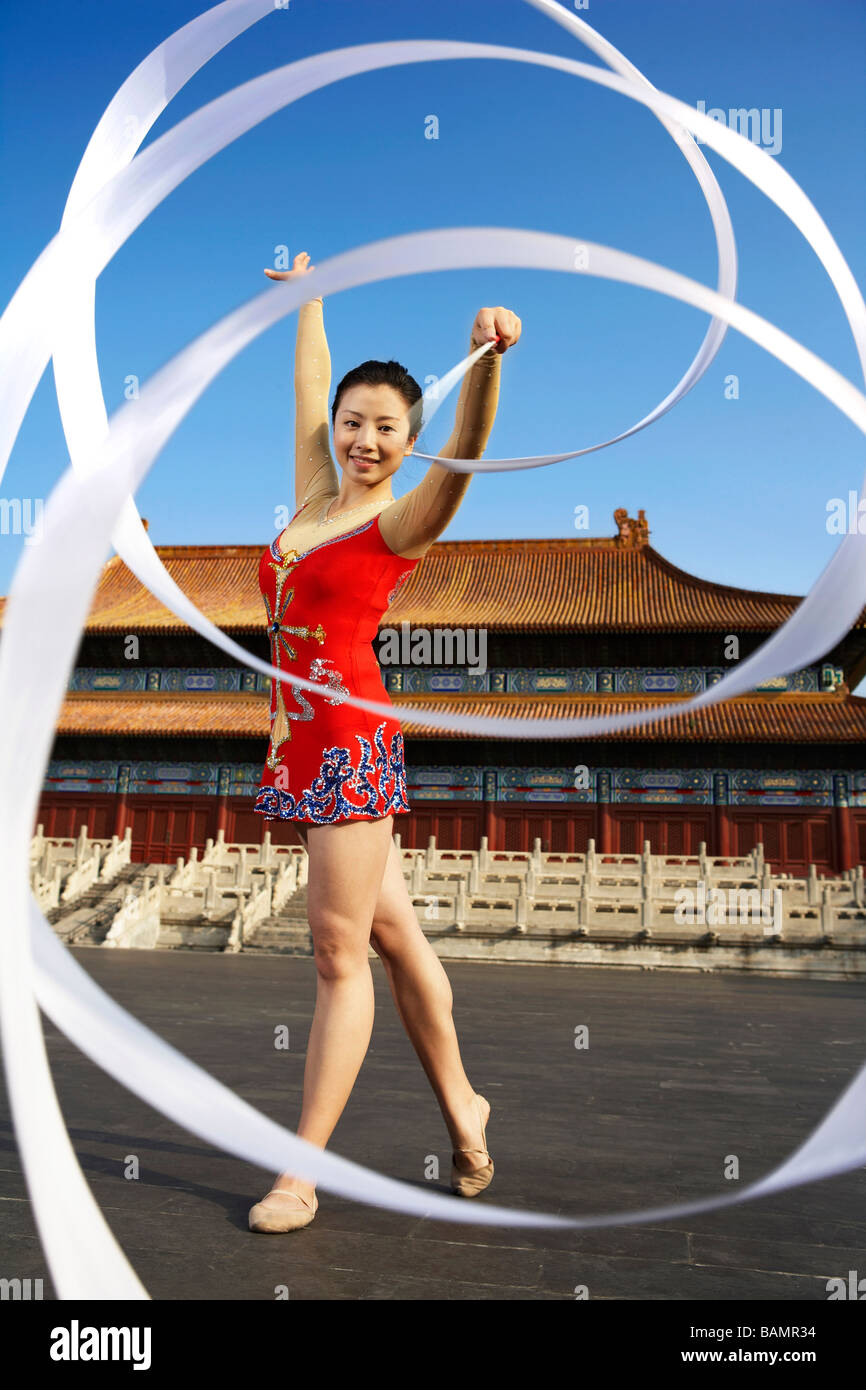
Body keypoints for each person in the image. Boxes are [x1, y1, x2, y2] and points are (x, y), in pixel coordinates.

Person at [248, 251, 521, 1232]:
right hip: (297, 741)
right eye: (353, 425)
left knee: (335, 949)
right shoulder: (314, 493)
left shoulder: (399, 521)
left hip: (353, 740)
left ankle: (299, 1172)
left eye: (385, 429)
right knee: (393, 933)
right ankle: (464, 1107)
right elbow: (308, 384)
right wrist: (312, 293)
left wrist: (481, 358)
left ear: (410, 441)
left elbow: (469, 449)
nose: (363, 439)